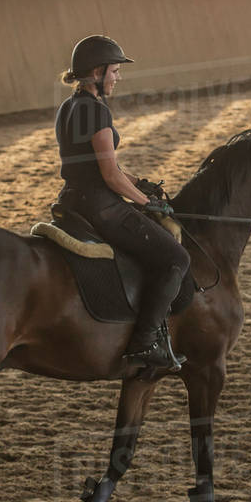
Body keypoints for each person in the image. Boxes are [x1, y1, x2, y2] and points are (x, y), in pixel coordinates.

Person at [54, 35, 189, 371]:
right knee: (176, 258)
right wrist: (147, 203)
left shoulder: (69, 106)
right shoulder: (97, 111)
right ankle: (144, 343)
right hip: (101, 206)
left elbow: (102, 165)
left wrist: (138, 183)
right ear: (96, 72)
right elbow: (110, 176)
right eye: (114, 71)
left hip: (73, 199)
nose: (118, 77)